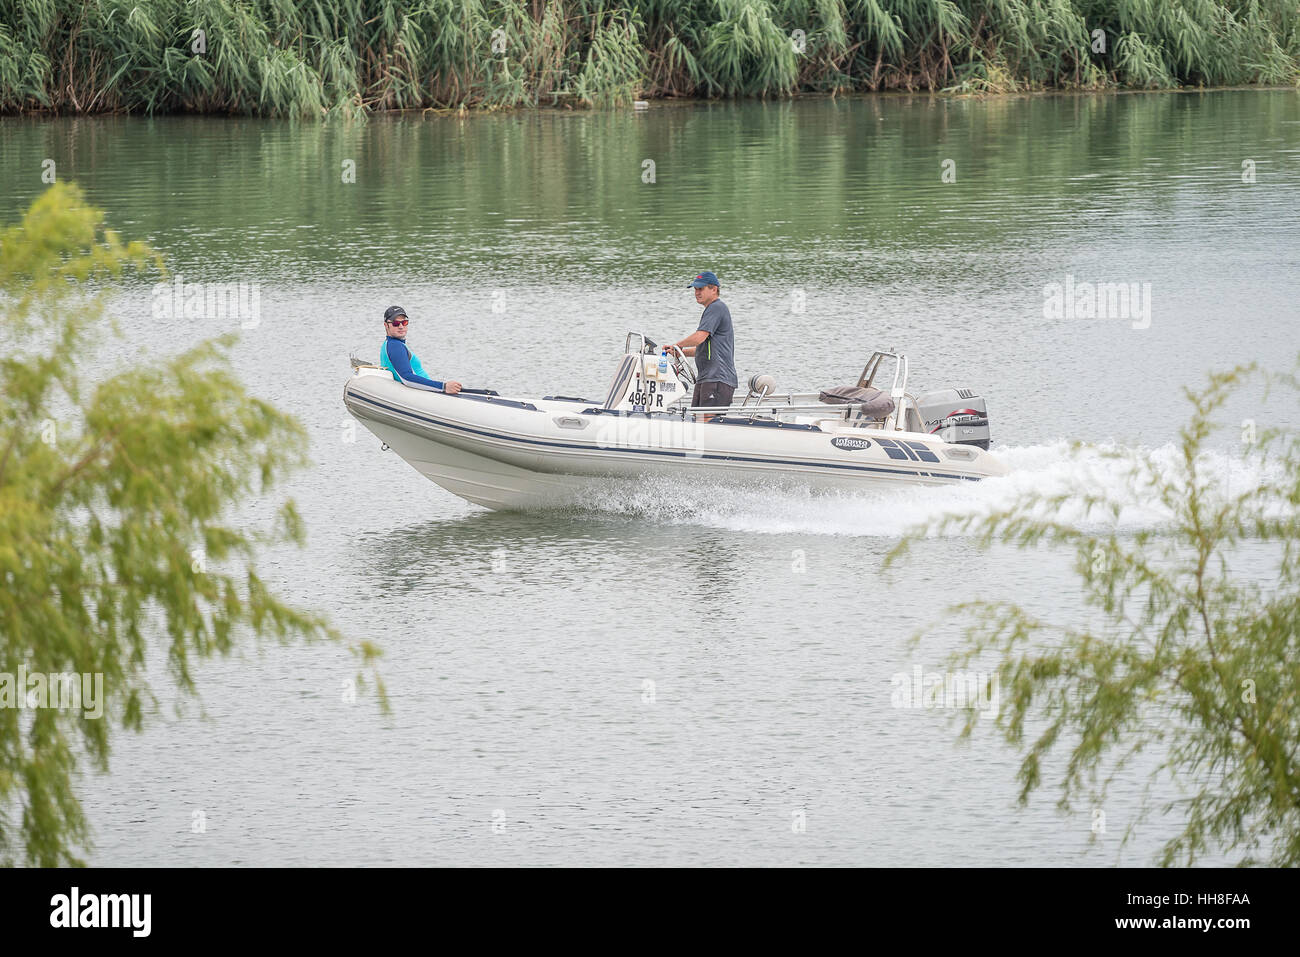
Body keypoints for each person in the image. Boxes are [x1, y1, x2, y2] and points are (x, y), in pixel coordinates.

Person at [663, 271, 737, 420]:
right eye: (695, 289)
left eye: (701, 289)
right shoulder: (711, 310)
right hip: (706, 378)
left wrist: (677, 345)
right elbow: (701, 348)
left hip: (717, 378)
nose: (697, 293)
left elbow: (699, 337)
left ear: (714, 289)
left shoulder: (717, 307)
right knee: (698, 422)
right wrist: (678, 352)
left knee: (706, 423)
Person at [378, 306, 461, 394]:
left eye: (404, 322)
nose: (401, 326)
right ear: (386, 325)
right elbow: (407, 378)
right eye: (396, 323)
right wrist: (443, 387)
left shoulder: (388, 344)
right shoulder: (395, 346)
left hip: (424, 390)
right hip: (423, 393)